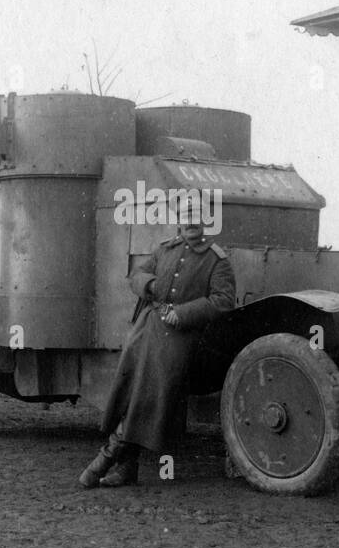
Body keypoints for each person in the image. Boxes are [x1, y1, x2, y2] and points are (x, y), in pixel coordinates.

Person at [79, 196, 236, 489]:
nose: (191, 221)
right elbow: (136, 275)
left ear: (205, 221)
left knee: (149, 394)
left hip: (180, 339)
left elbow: (224, 301)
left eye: (196, 216)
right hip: (146, 329)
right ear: (179, 219)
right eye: (186, 215)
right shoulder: (165, 249)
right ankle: (127, 469)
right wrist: (149, 285)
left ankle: (105, 459)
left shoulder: (217, 260)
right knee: (129, 390)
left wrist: (183, 313)